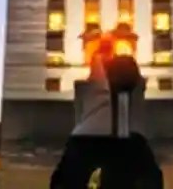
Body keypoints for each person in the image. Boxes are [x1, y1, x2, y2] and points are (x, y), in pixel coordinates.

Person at [49, 50, 163, 189]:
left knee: (71, 179)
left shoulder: (93, 79)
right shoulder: (133, 86)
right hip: (126, 136)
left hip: (86, 136)